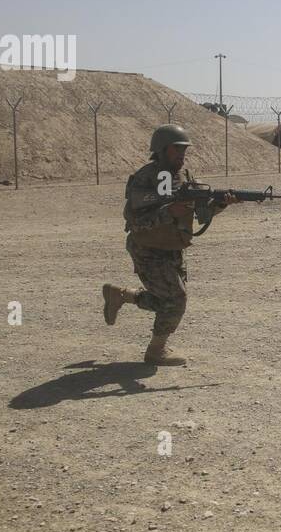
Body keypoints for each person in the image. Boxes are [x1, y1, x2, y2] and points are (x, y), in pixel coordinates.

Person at [101, 124, 238, 365]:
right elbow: (134, 220)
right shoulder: (145, 178)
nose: (182, 154)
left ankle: (121, 296)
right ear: (161, 149)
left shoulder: (184, 178)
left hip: (174, 248)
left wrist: (220, 205)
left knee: (166, 301)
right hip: (147, 249)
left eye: (184, 150)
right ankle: (156, 351)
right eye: (177, 149)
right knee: (177, 299)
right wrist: (168, 212)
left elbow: (202, 215)